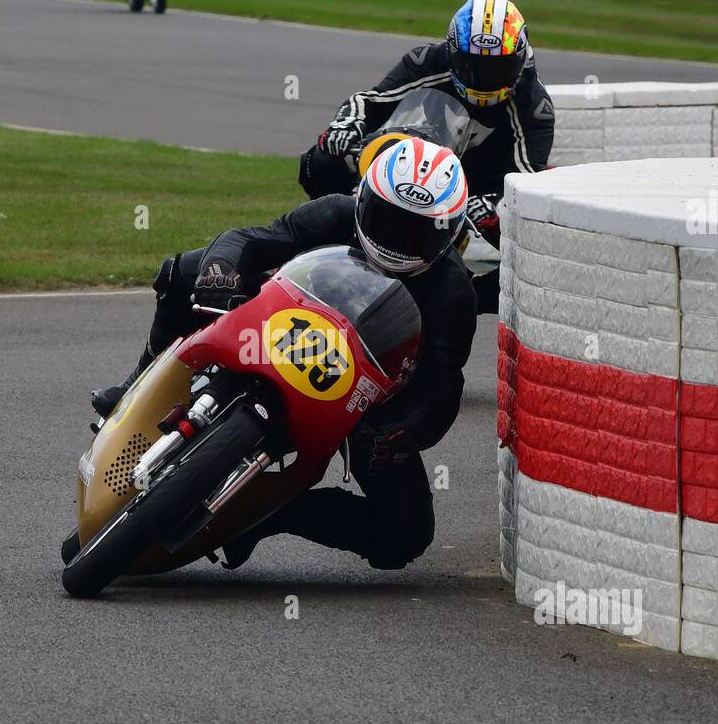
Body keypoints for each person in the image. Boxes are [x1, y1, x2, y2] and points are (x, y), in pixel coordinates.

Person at [92, 138, 478, 571]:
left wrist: (399, 434)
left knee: (406, 532)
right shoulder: (335, 212)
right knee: (180, 272)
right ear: (364, 200)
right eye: (387, 220)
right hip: (277, 325)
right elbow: (253, 239)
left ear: (449, 234)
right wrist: (221, 269)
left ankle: (262, 517)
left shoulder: (452, 293)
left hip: (360, 398)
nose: (398, 241)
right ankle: (133, 387)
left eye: (418, 231)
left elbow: (440, 389)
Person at [298, 0, 554, 313]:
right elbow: (371, 100)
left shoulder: (535, 108)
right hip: (425, 163)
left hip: (479, 189)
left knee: (522, 240)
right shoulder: (427, 62)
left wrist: (493, 204)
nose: (481, 80)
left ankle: (465, 299)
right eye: (471, 65)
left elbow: (525, 183)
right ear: (451, 51)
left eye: (496, 68)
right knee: (321, 161)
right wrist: (346, 126)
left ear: (518, 60)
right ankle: (328, 243)